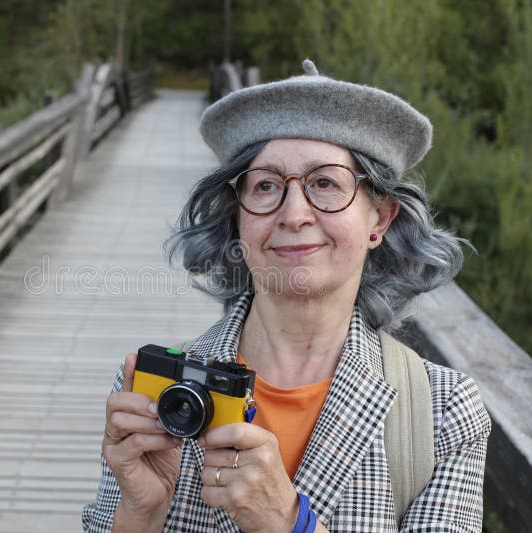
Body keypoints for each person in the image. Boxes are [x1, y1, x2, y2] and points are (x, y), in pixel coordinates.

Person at [82, 58, 491, 532]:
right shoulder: (155, 395)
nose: (294, 213)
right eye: (266, 185)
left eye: (325, 183)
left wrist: (286, 522)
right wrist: (140, 515)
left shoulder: (442, 413)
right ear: (238, 217)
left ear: (379, 218)